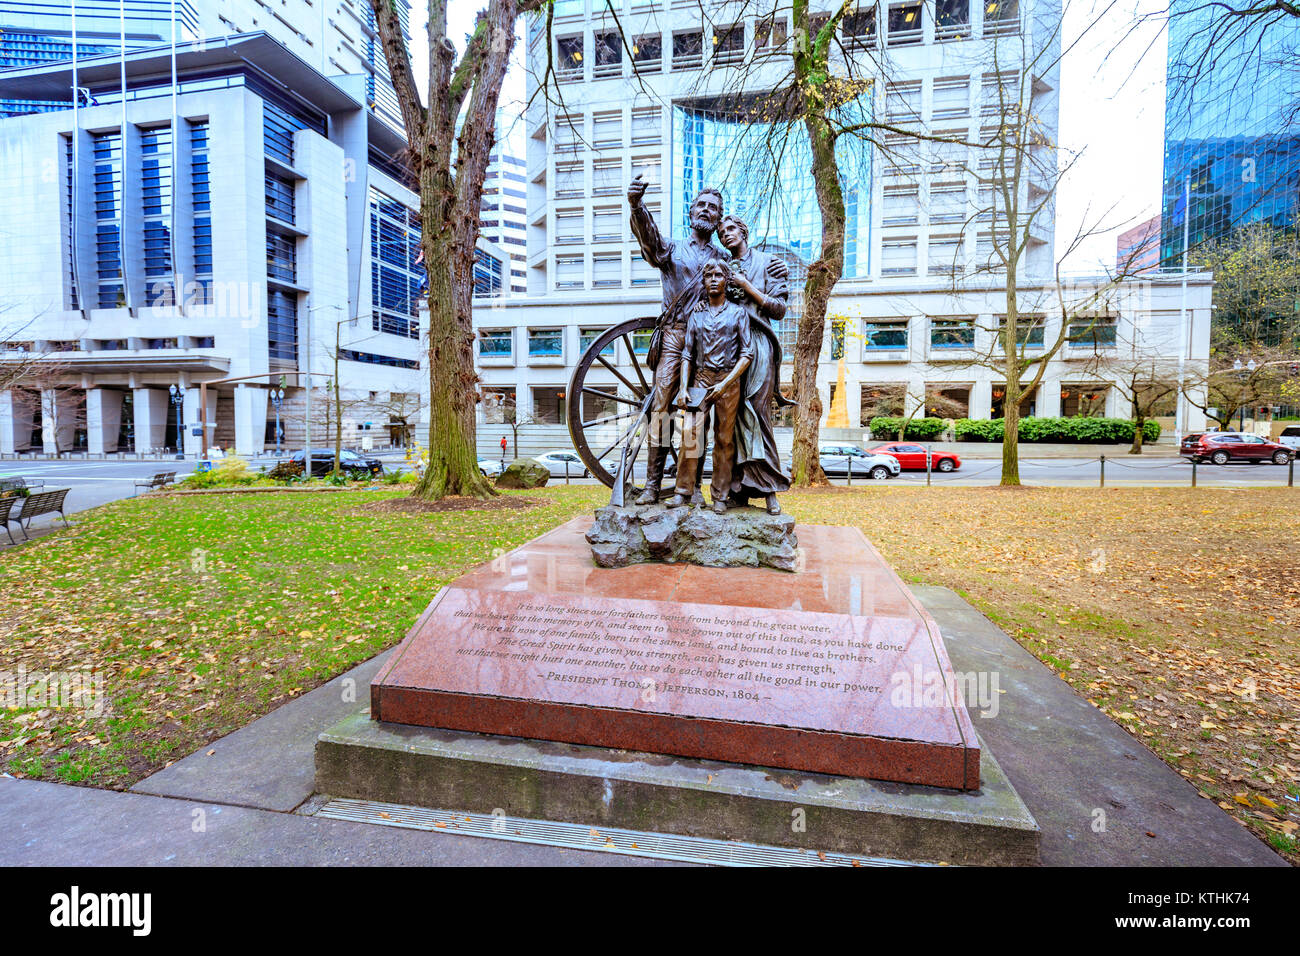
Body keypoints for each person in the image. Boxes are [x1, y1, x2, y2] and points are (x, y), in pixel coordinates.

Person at [627, 175, 725, 504]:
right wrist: (637, 207)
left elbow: (745, 282)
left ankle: (692, 486)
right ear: (691, 211)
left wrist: (775, 271)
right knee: (661, 408)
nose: (707, 211)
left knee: (697, 416)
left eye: (714, 208)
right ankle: (652, 484)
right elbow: (650, 240)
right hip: (674, 334)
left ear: (718, 218)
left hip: (707, 342)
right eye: (702, 205)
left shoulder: (722, 260)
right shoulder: (671, 249)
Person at [714, 214, 793, 515]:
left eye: (731, 229)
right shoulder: (721, 266)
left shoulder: (767, 262)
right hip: (728, 345)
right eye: (721, 232)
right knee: (730, 421)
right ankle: (739, 489)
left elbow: (779, 309)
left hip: (758, 342)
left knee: (758, 416)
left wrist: (748, 286)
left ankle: (770, 488)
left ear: (743, 231)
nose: (725, 235)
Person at [666, 261, 754, 514]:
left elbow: (746, 354)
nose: (713, 279)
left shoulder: (738, 313)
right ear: (703, 282)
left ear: (726, 280)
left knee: (724, 440)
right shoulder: (697, 314)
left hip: (729, 379)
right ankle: (683, 492)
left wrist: (726, 383)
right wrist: (683, 387)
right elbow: (687, 354)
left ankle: (720, 496)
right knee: (690, 436)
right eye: (708, 275)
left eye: (718, 275)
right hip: (700, 380)